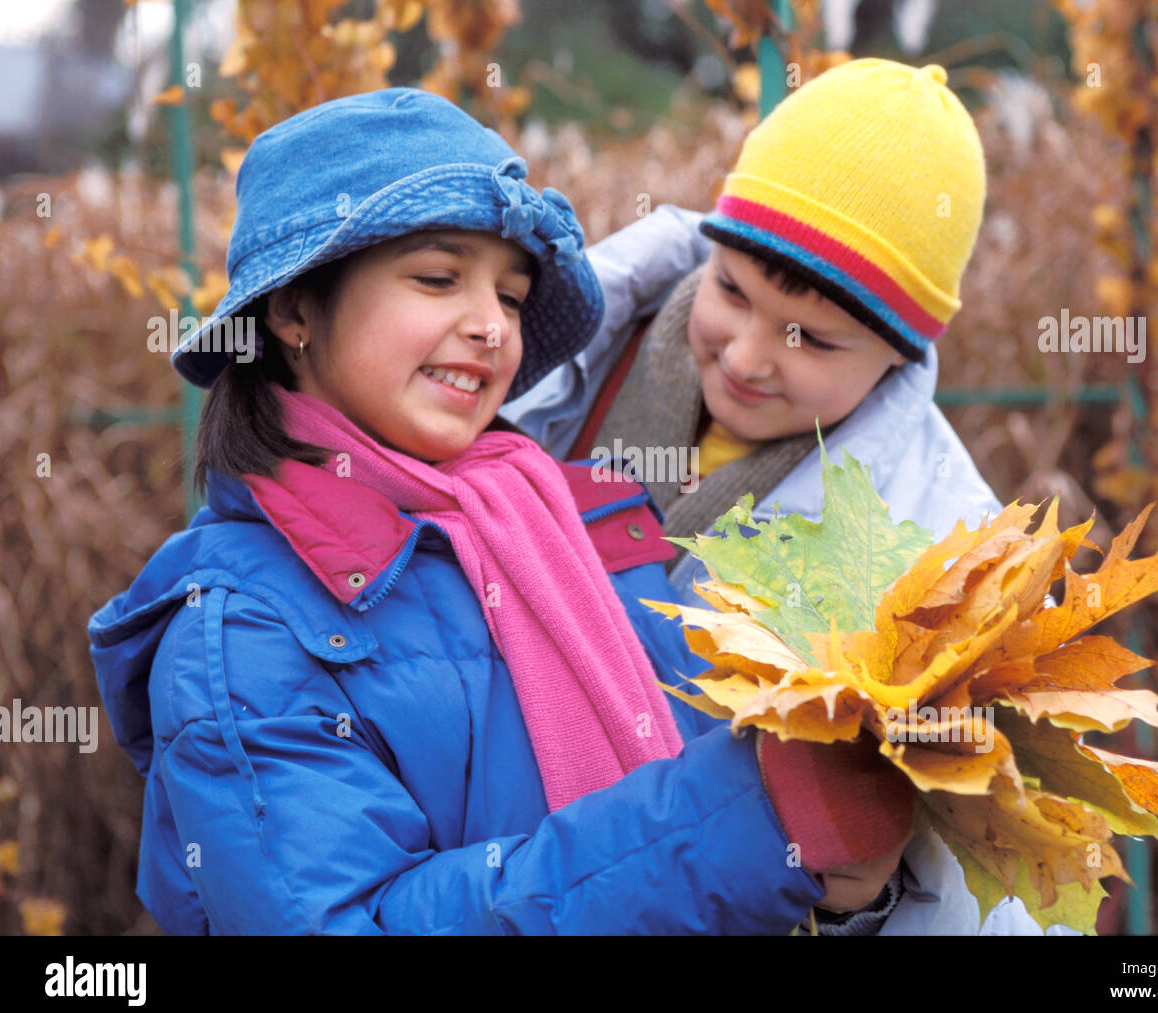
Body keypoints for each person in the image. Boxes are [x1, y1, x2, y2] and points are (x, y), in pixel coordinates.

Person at [87, 87, 920, 935]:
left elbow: (726, 795)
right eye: (438, 278)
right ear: (296, 310)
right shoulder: (240, 638)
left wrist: (842, 882)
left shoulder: (576, 525)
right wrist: (750, 824)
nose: (490, 325)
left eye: (512, 298)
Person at [502, 59, 1078, 935]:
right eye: (731, 289)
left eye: (809, 338)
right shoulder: (536, 348)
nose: (744, 356)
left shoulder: (942, 552)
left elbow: (990, 905)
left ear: (899, 354)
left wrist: (863, 904)